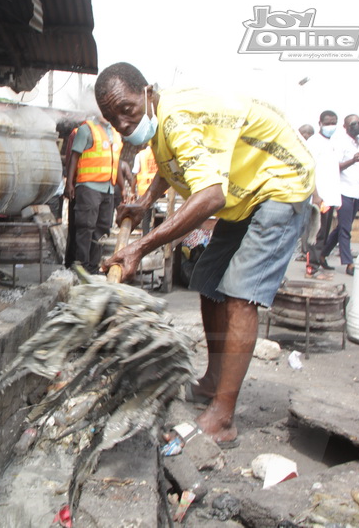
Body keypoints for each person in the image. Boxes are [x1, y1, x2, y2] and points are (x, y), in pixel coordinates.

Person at [95, 62, 314, 447]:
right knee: (209, 282)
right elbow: (172, 164)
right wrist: (145, 201)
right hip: (244, 194)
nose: (124, 125)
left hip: (280, 182)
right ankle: (214, 381)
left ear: (147, 92)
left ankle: (223, 417)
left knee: (240, 295)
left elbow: (210, 194)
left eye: (127, 110)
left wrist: (141, 247)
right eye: (113, 120)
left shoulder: (176, 117)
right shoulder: (161, 121)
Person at [64, 115, 124, 274]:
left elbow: (115, 162)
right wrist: (69, 183)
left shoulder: (116, 133)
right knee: (86, 227)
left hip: (108, 189)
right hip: (89, 187)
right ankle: (81, 267)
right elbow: (74, 157)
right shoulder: (86, 129)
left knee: (102, 228)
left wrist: (122, 188)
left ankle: (93, 267)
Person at [320, 114, 359, 276]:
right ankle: (349, 262)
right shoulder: (340, 143)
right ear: (345, 126)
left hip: (357, 192)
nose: (357, 126)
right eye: (354, 123)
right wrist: (353, 161)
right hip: (343, 191)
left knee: (341, 227)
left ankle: (322, 253)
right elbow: (335, 167)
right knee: (345, 229)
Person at [304, 110, 341, 279]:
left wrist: (337, 198)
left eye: (334, 122)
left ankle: (318, 265)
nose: (330, 126)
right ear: (320, 123)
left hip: (331, 196)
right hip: (319, 196)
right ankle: (312, 269)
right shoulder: (314, 142)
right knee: (316, 233)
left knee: (324, 233)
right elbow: (309, 170)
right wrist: (316, 195)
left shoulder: (333, 143)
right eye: (327, 122)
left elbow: (333, 173)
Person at [131, 146, 159, 234]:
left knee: (146, 217)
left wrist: (132, 191)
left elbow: (135, 174)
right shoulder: (161, 153)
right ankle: (158, 237)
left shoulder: (140, 155)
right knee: (159, 215)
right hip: (160, 190)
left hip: (145, 190)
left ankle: (145, 236)